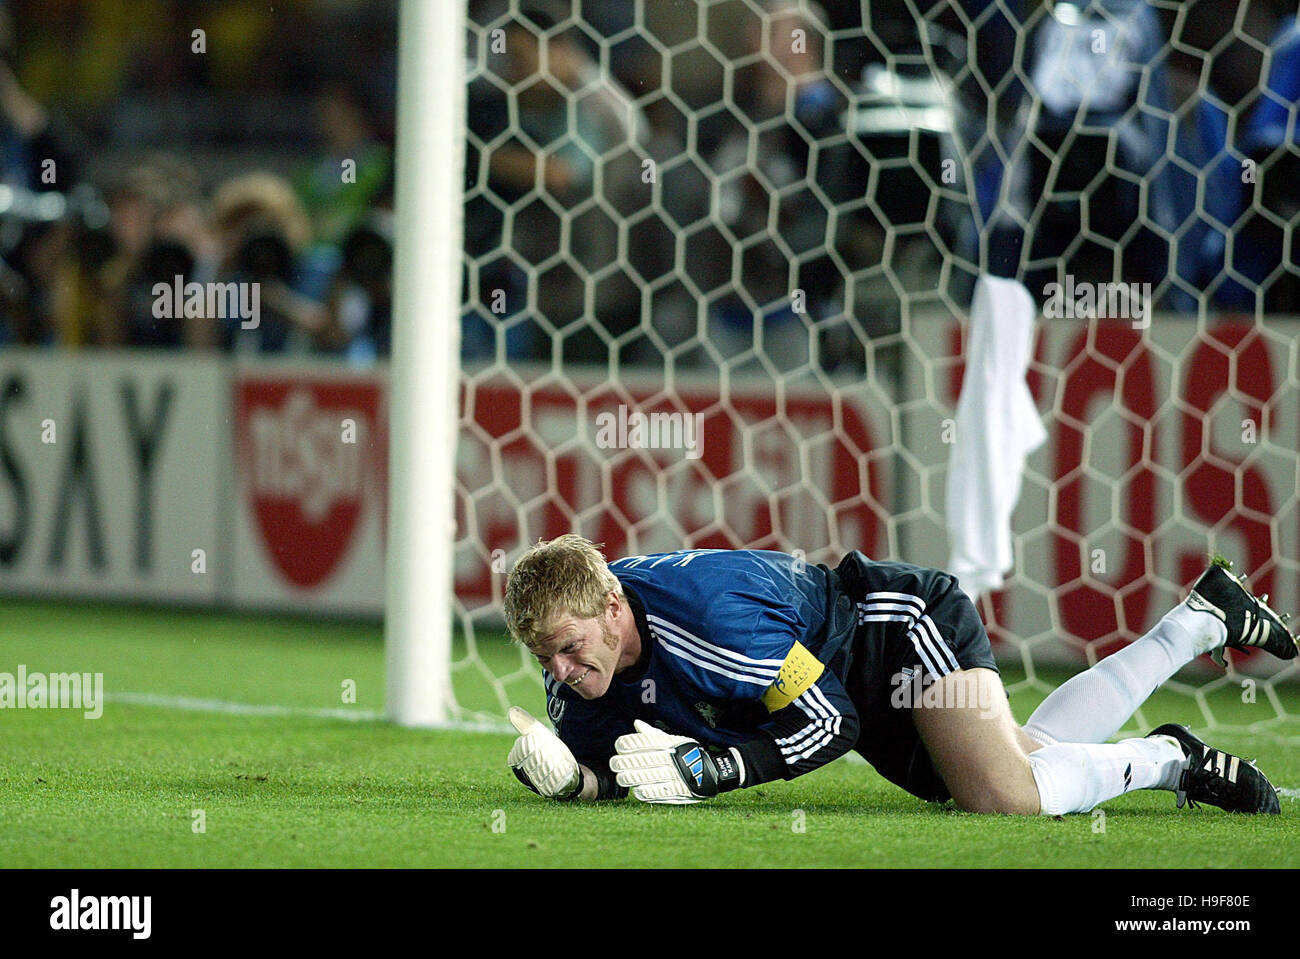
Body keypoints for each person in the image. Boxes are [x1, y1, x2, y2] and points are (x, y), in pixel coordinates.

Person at [502, 534, 1295, 813]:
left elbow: (830, 720)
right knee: (1031, 753)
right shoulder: (578, 657)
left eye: (570, 648)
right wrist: (577, 784)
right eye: (545, 657)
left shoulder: (711, 626)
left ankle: (1174, 760)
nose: (563, 672)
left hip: (896, 630)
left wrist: (719, 766)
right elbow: (613, 760)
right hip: (844, 669)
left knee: (1003, 794)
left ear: (613, 606)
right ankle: (1198, 620)